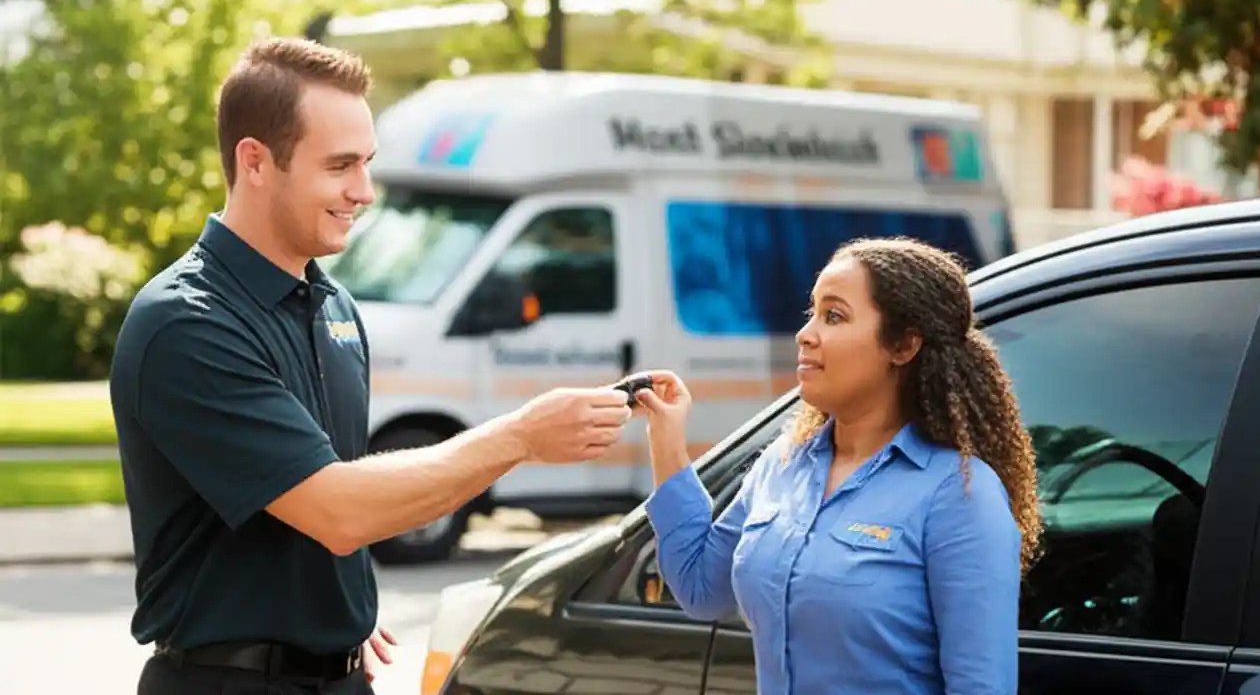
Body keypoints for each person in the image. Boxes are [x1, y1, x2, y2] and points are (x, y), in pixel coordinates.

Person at [108, 37, 632, 695]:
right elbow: (338, 509)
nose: (365, 191)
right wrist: (521, 436)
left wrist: (334, 610)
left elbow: (333, 491)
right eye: (340, 166)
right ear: (255, 161)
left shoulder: (334, 306)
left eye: (367, 163)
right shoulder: (187, 323)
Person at [633, 237, 1043, 695]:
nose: (805, 334)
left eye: (834, 316)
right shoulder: (783, 465)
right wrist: (665, 437)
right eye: (812, 312)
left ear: (904, 345)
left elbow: (981, 686)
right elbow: (700, 589)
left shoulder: (960, 495)